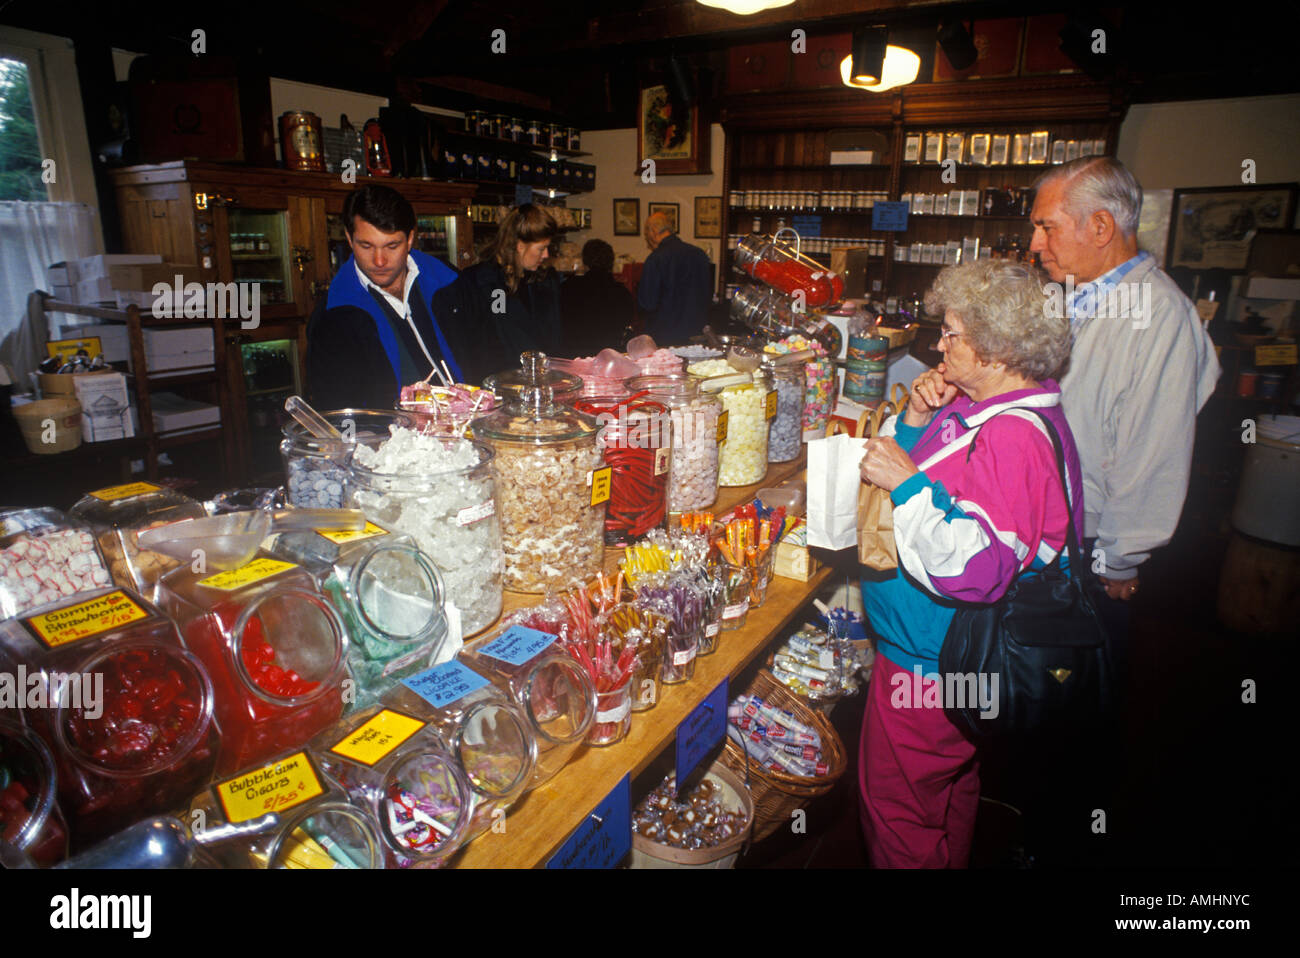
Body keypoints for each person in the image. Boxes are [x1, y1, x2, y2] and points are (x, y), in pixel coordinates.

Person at [856, 259, 1081, 868]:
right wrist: (921, 421)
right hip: (944, 662)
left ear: (996, 348)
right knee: (949, 792)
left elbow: (977, 570)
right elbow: (930, 476)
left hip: (932, 669)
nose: (939, 344)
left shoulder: (1013, 437)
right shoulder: (986, 414)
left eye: (953, 333)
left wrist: (905, 487)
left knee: (900, 809)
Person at [1030, 157, 1220, 643]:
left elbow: (1154, 451)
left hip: (1091, 545)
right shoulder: (1075, 294)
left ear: (1100, 226)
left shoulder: (1159, 315)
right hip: (1049, 525)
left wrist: (1119, 559)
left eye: (1046, 228)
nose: (1035, 245)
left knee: (1072, 690)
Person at [306, 184, 462, 410]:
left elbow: (487, 359)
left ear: (409, 239)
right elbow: (341, 414)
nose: (379, 261)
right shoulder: (333, 319)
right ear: (349, 239)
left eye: (391, 246)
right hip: (397, 441)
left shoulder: (450, 282)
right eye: (366, 246)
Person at [432, 204, 563, 383]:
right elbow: (502, 330)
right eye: (541, 248)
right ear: (519, 245)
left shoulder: (538, 280)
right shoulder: (492, 286)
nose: (546, 255)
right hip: (503, 388)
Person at [637, 211, 712, 345]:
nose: (647, 238)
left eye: (646, 233)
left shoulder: (655, 259)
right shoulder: (700, 255)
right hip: (696, 336)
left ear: (653, 231)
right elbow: (707, 296)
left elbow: (648, 303)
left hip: (664, 337)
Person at [559, 239, 634, 356]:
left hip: (575, 357)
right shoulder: (622, 292)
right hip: (610, 358)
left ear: (585, 262)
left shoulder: (568, 288)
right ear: (611, 262)